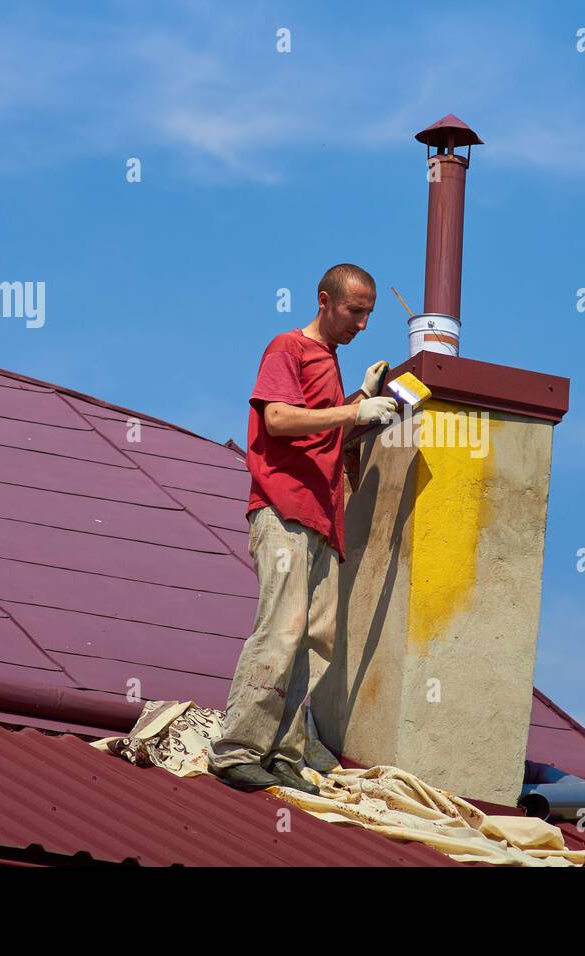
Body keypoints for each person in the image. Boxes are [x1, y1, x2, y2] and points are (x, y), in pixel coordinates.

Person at [209, 263, 397, 792]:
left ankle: (283, 753)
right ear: (324, 300)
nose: (362, 325)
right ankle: (237, 749)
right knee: (283, 627)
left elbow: (325, 436)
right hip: (284, 508)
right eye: (355, 311)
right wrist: (349, 413)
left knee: (315, 639)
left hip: (322, 521)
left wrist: (358, 406)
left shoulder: (330, 365)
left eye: (369, 315)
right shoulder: (286, 347)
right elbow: (278, 420)